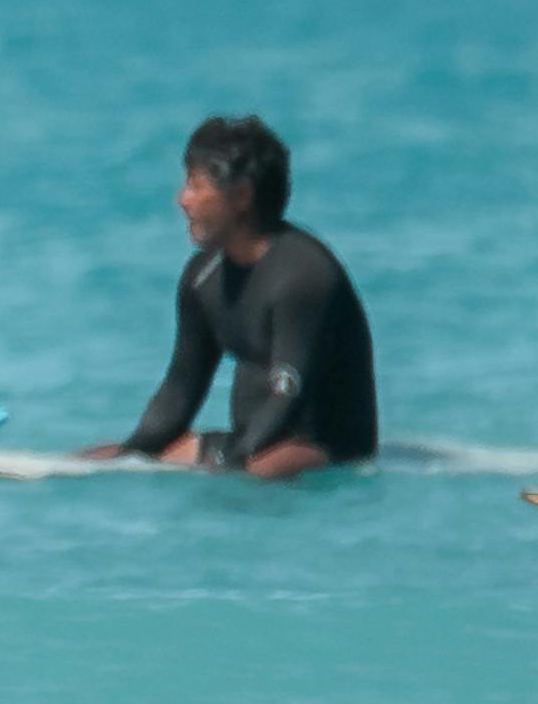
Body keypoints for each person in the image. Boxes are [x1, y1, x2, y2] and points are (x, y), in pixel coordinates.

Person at [82, 114, 377, 478]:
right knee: (116, 455)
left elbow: (289, 392)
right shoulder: (202, 277)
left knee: (263, 467)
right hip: (249, 440)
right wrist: (133, 453)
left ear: (240, 196)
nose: (181, 200)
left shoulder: (303, 276)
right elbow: (181, 386)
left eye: (194, 185)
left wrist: (234, 462)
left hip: (323, 444)